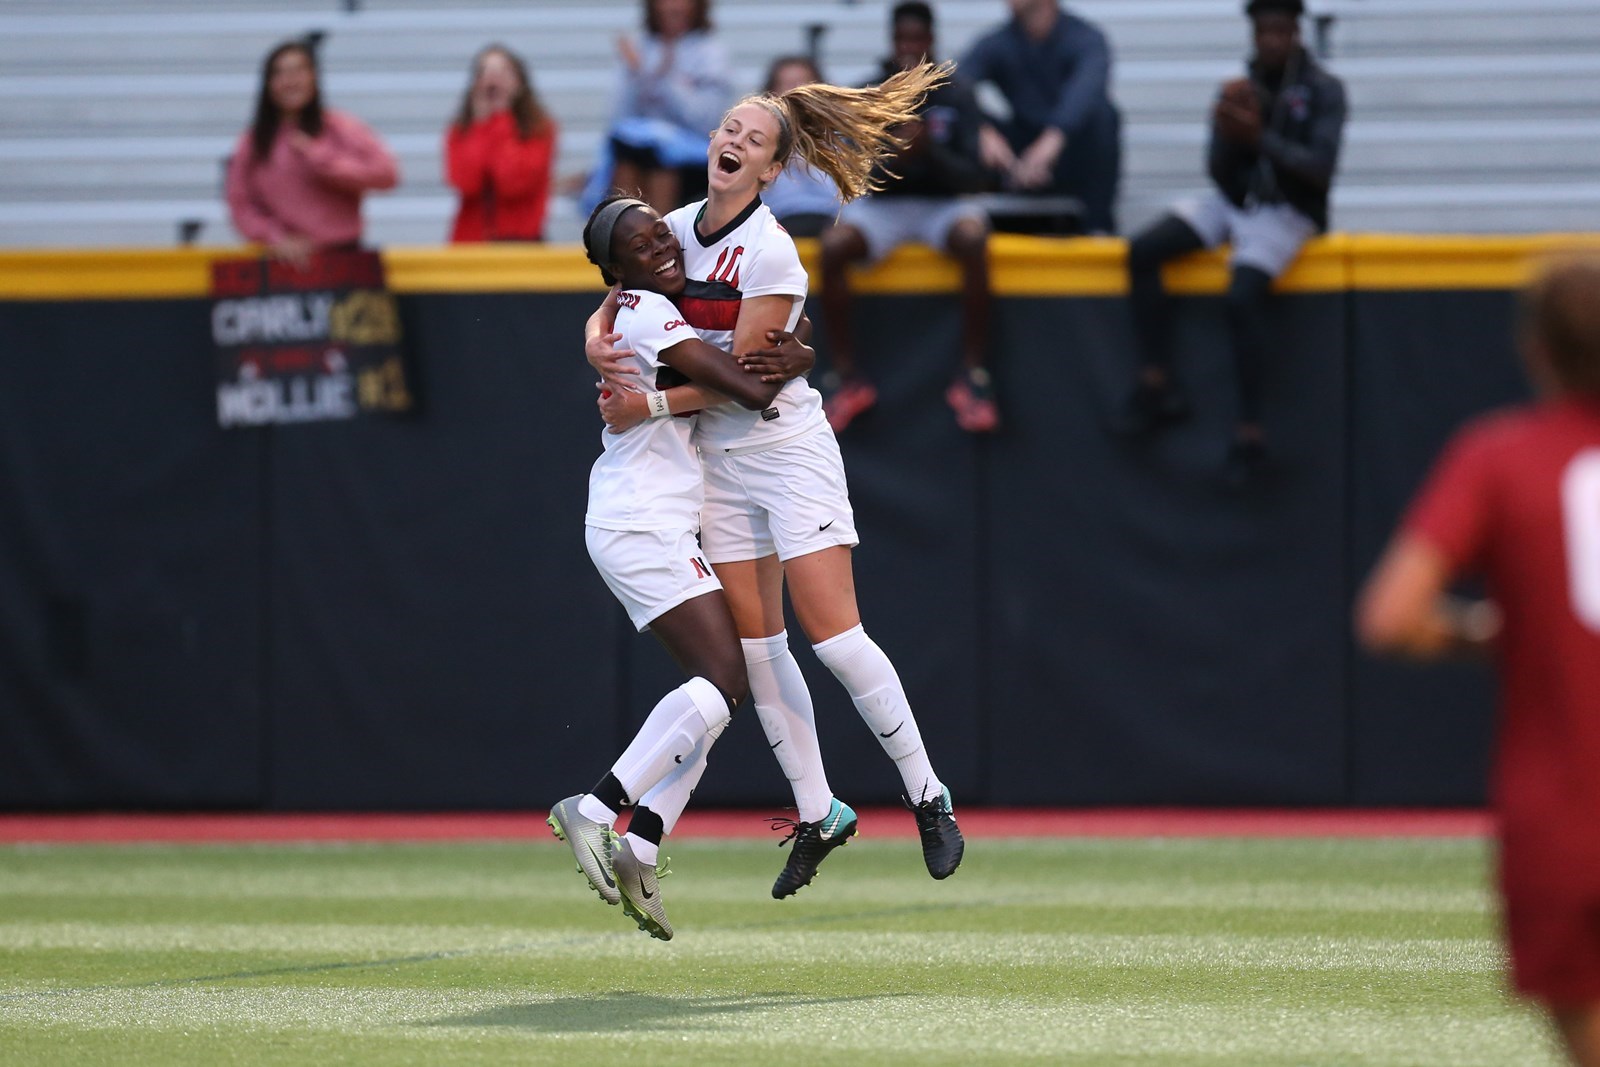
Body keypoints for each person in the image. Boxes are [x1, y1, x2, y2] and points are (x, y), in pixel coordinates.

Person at [587, 64, 967, 898]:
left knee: (834, 636)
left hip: (783, 442)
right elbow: (616, 296)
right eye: (730, 128)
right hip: (716, 463)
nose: (734, 141)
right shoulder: (676, 228)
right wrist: (594, 340)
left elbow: (744, 380)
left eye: (754, 141)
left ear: (771, 170)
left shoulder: (770, 247)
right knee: (760, 653)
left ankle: (928, 793)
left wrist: (645, 401)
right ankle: (817, 810)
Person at [1356, 257, 1600, 1067]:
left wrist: (1495, 632)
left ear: (1537, 351)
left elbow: (1391, 616)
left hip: (1562, 820)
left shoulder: (1499, 457)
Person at [551, 196, 816, 941]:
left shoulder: (640, 297)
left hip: (652, 519)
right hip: (640, 521)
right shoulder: (646, 313)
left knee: (725, 687)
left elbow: (760, 345)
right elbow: (752, 386)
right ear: (618, 270)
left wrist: (797, 349)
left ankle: (641, 841)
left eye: (659, 232)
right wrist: (795, 358)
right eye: (639, 247)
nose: (661, 246)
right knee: (725, 679)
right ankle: (600, 808)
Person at [1117, 0, 1347, 488]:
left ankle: (1250, 432)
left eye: (1281, 31)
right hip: (1236, 201)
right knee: (1142, 251)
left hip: (1288, 209)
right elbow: (1220, 176)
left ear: (1296, 32)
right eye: (1263, 32)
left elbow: (1319, 171)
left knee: (1241, 295)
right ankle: (1157, 384)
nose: (1271, 41)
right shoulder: (1241, 86)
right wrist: (1227, 135)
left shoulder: (1324, 89)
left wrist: (1260, 138)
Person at [818, 1, 996, 435]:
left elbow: (975, 177)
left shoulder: (958, 92)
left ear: (932, 42)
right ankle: (846, 376)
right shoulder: (870, 92)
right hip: (884, 207)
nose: (909, 49)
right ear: (891, 41)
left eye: (917, 40)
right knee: (833, 246)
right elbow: (854, 178)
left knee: (975, 239)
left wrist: (930, 153)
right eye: (902, 40)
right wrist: (895, 156)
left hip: (944, 205)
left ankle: (973, 373)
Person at [225, 39, 399, 269]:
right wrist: (275, 237)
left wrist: (322, 159)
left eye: (299, 71)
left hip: (343, 260)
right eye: (280, 73)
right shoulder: (254, 141)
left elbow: (386, 174)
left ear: (314, 77)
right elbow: (240, 202)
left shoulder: (340, 127)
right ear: (268, 83)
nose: (291, 81)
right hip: (281, 264)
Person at [959, 0, 1121, 236]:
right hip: (1019, 155)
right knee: (963, 120)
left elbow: (1085, 91)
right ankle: (978, 222)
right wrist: (981, 129)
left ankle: (1097, 227)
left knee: (1104, 116)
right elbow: (954, 86)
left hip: (1071, 154)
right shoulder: (999, 42)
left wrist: (1053, 139)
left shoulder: (1086, 38)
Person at [582, 0, 733, 218]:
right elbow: (619, 119)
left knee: (661, 160)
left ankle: (660, 236)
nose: (673, 7)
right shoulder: (639, 48)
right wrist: (635, 77)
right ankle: (625, 235)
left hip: (690, 162)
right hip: (635, 158)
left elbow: (705, 120)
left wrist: (660, 80)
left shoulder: (711, 53)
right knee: (628, 160)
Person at [444, 44, 557, 243]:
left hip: (520, 241)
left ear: (520, 82)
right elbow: (467, 182)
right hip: (470, 243)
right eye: (485, 71)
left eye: (503, 71)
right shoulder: (460, 131)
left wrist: (501, 120)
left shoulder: (540, 130)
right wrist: (480, 126)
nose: (493, 79)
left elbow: (512, 183)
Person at [756, 56, 841, 239]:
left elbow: (844, 197)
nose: (795, 93)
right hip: (778, 222)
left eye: (802, 84)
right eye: (786, 85)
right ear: (771, 94)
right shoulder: (757, 142)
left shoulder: (839, 139)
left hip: (830, 221)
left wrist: (810, 161)